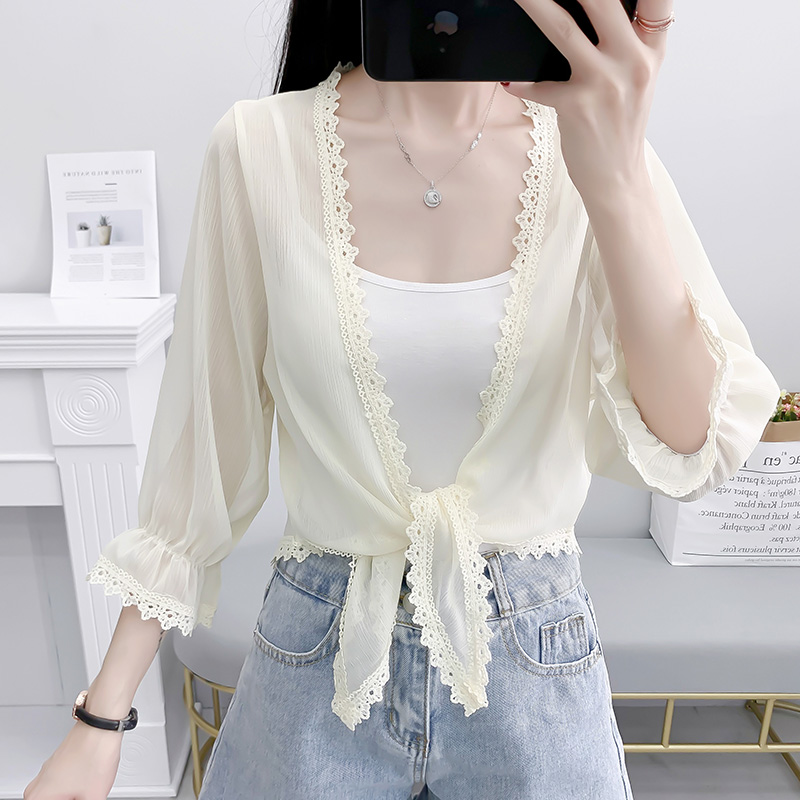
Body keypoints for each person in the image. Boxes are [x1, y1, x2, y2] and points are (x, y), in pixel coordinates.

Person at [25, 1, 782, 798]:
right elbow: (198, 469)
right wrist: (100, 718)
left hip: (533, 660)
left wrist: (616, 176)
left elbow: (691, 441)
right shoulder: (258, 148)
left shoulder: (595, 150)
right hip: (320, 650)